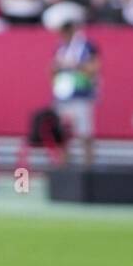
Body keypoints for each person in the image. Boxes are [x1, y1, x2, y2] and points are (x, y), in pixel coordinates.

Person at [52, 19, 100, 167]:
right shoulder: (60, 48)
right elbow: (52, 69)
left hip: (82, 95)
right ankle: (63, 168)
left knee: (85, 134)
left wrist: (75, 65)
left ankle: (88, 168)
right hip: (63, 96)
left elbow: (94, 69)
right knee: (62, 135)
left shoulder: (87, 47)